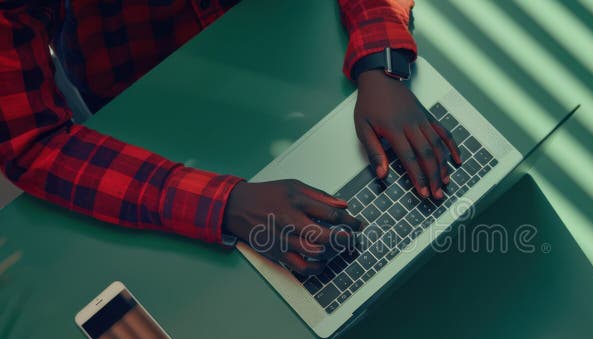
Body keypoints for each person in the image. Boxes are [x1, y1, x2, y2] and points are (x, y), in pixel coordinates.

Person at [0, 0, 459, 274]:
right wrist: (222, 204)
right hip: (144, 110)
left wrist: (380, 55)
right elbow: (29, 139)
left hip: (296, 51)